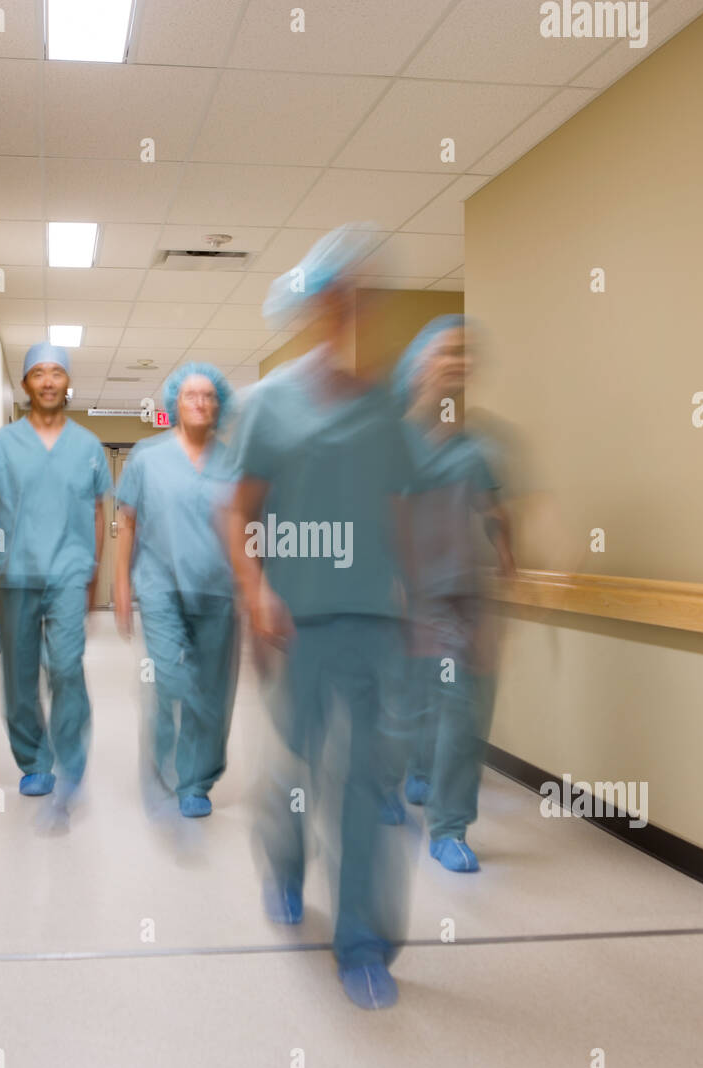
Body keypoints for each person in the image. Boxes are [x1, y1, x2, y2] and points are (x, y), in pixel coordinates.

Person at [226, 223, 415, 1011]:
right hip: (295, 621)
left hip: (374, 618)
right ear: (312, 306)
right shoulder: (268, 405)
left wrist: (421, 601)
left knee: (368, 782)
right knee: (295, 766)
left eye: (358, 294)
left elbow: (401, 512)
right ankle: (283, 863)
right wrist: (256, 589)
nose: (346, 307)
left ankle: (364, 942)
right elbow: (238, 514)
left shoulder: (385, 410)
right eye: (333, 294)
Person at [0, 342, 112, 824]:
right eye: (38, 373)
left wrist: (93, 573)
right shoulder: (1, 445)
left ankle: (70, 756)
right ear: (26, 383)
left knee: (67, 664)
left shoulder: (88, 446)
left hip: (69, 573)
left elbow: (97, 512)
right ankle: (34, 761)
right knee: (21, 672)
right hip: (17, 571)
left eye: (56, 373)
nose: (48, 381)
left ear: (67, 382)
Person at [393, 316, 517, 872]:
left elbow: (494, 512)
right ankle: (402, 778)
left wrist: (507, 558)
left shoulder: (478, 445)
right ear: (420, 364)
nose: (457, 361)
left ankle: (449, 827)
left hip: (463, 597)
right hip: (403, 595)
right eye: (446, 351)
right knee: (407, 704)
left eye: (465, 352)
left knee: (462, 711)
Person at [113, 363, 239, 819]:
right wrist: (121, 584)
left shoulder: (234, 461)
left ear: (218, 403)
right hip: (160, 586)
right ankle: (165, 749)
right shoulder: (147, 457)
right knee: (169, 677)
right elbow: (126, 522)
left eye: (208, 396)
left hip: (219, 591)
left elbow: (249, 529)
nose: (200, 403)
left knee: (212, 691)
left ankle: (196, 781)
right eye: (190, 396)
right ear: (175, 404)